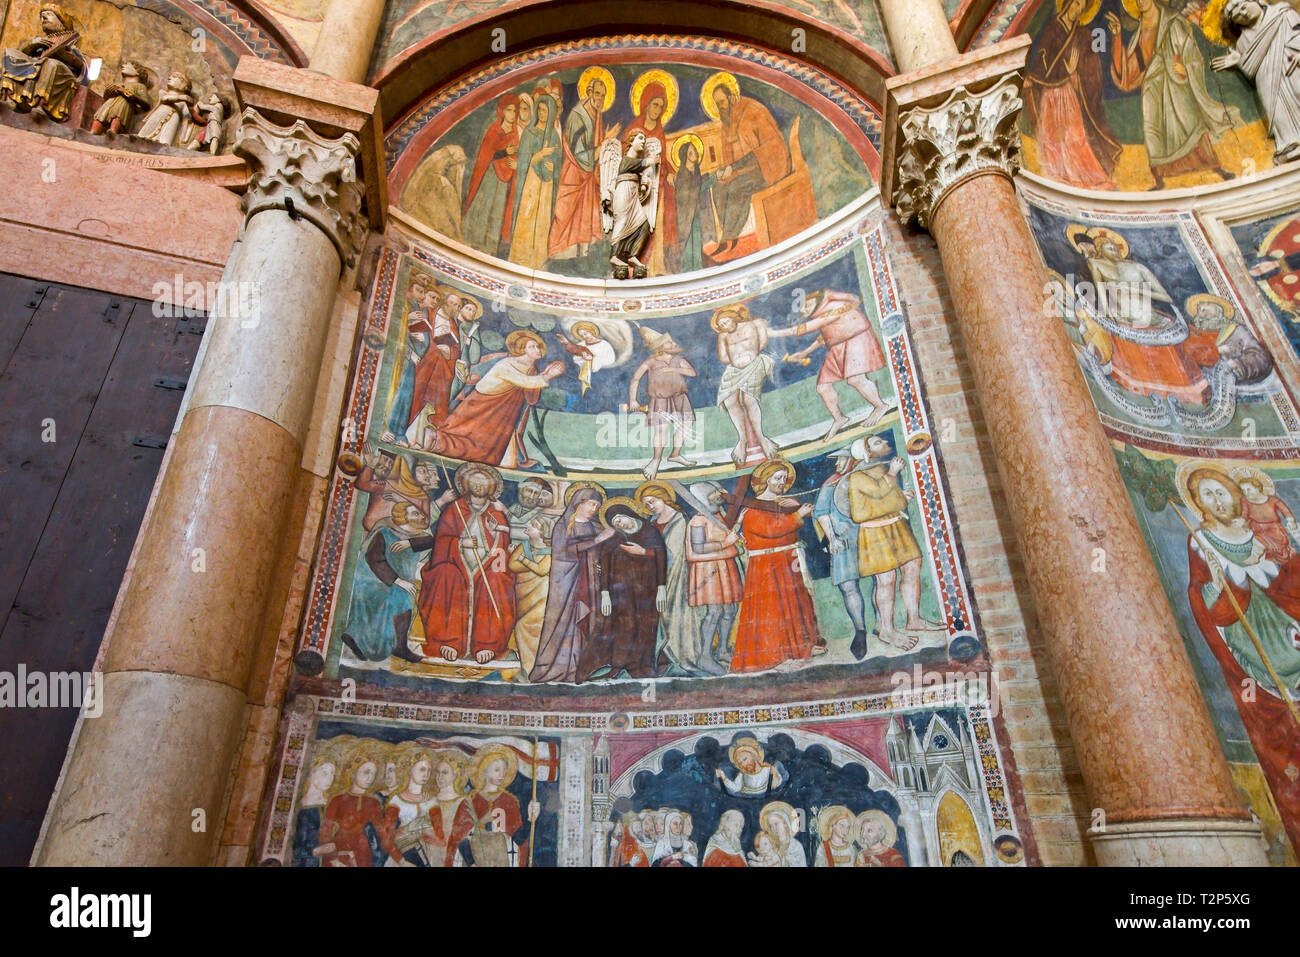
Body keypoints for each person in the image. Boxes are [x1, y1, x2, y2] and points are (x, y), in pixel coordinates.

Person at [1181, 463, 1300, 851]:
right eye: (1207, 496)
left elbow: (1292, 572)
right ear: (1198, 504)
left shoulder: (1258, 529)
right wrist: (1218, 587)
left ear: (1234, 494)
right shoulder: (1201, 541)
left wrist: (1280, 564)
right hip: (1245, 634)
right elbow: (1199, 593)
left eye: (1221, 492)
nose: (1216, 500)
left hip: (1287, 618)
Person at [1106, 0, 1239, 188]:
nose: (1140, 2)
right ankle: (1158, 180)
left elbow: (1191, 52)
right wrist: (1117, 36)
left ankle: (1216, 168)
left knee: (1190, 124)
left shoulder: (1173, 22)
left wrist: (1186, 69)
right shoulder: (1140, 32)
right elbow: (1129, 71)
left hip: (1176, 85)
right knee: (1154, 135)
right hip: (1152, 91)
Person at [844, 434, 944, 650]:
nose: (885, 443)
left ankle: (914, 619)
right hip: (874, 532)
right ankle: (887, 630)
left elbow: (894, 499)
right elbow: (876, 494)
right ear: (866, 453)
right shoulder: (858, 476)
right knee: (886, 579)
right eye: (878, 443)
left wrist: (899, 496)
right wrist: (892, 474)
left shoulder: (881, 470)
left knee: (912, 566)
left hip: (896, 525)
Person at [414, 463, 516, 664]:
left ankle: (487, 643)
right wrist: (460, 543)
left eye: (483, 483)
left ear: (492, 487)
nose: (478, 486)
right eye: (474, 482)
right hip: (454, 562)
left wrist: (495, 534)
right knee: (446, 575)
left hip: (487, 565)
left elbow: (503, 547)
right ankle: (448, 640)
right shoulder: (454, 509)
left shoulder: (496, 512)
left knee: (496, 581)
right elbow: (441, 540)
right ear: (466, 484)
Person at [730, 459, 822, 673]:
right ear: (765, 480)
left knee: (797, 603)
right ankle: (778, 655)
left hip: (788, 560)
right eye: (777, 478)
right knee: (774, 609)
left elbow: (790, 526)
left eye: (784, 478)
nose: (782, 482)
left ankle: (803, 647)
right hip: (767, 564)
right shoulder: (753, 508)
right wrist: (798, 514)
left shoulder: (781, 503)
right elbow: (772, 530)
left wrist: (795, 507)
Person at [428, 330, 565, 468]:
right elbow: (525, 381)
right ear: (523, 349)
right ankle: (437, 442)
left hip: (503, 411)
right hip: (482, 405)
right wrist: (548, 376)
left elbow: (531, 397)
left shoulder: (531, 369)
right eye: (532, 347)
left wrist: (545, 372)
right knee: (467, 436)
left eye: (538, 346)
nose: (537, 349)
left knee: (489, 446)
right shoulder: (508, 364)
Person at [1023, 0, 1121, 188]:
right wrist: (1058, 71)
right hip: (1051, 94)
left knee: (1075, 136)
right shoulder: (1053, 27)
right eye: (1076, 4)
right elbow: (1043, 58)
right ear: (1067, 3)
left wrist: (1077, 72)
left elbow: (1091, 65)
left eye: (1082, 8)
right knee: (1053, 135)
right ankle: (1057, 175)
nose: (1078, 10)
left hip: (1068, 93)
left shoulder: (1081, 34)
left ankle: (1082, 176)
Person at [780, 289, 894, 438]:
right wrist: (804, 353)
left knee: (856, 379)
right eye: (804, 310)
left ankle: (880, 406)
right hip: (838, 347)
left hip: (856, 339)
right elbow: (826, 336)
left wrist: (772, 333)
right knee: (823, 386)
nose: (806, 310)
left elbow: (804, 328)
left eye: (807, 305)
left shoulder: (834, 306)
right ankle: (839, 419)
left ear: (816, 299)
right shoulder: (822, 314)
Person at [531, 484, 614, 683]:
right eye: (591, 504)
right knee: (568, 623)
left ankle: (587, 667)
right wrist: (597, 541)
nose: (593, 509)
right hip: (570, 585)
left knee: (593, 621)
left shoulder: (596, 526)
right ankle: (563, 667)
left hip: (592, 583)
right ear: (578, 503)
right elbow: (563, 553)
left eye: (597, 506)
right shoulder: (563, 526)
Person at [578, 497, 666, 680]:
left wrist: (661, 587)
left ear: (628, 514)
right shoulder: (615, 537)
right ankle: (620, 664)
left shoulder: (650, 530)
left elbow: (661, 557)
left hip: (647, 590)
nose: (620, 524)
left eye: (620, 519)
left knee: (646, 627)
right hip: (621, 593)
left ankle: (644, 665)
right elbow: (605, 563)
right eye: (615, 523)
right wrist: (605, 593)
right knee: (623, 627)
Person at [707, 77, 791, 256]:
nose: (720, 107)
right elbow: (729, 159)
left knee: (737, 187)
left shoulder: (753, 110)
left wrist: (734, 167)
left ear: (731, 98)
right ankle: (727, 238)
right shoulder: (726, 123)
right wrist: (724, 170)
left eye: (722, 102)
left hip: (769, 166)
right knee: (718, 189)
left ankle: (730, 237)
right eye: (717, 104)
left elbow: (770, 147)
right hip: (745, 171)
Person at [340, 502, 431, 664]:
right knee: (400, 597)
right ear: (403, 517)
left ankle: (399, 646)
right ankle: (361, 640)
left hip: (397, 582)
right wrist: (398, 581)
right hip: (375, 579)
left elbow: (432, 541)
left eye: (419, 513)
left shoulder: (418, 537)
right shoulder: (385, 533)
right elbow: (374, 560)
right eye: (415, 513)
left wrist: (408, 543)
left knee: (404, 596)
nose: (421, 516)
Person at [1212, 0, 1300, 163]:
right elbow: (1250, 69)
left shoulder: (1283, 13)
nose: (1243, 13)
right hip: (1267, 82)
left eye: (1243, 6)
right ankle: (1289, 143)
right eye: (1237, 16)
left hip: (1291, 67)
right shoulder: (1242, 42)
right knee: (1277, 109)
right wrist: (1239, 61)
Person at [551, 72, 621, 262]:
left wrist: (605, 142)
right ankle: (562, 255)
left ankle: (583, 256)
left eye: (603, 95)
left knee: (588, 215)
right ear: (589, 92)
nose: (600, 99)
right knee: (567, 214)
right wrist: (605, 141)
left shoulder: (596, 114)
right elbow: (582, 157)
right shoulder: (578, 116)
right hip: (574, 174)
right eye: (597, 94)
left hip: (588, 178)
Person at [637, 482, 701, 674]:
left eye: (652, 501)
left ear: (663, 498)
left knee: (675, 613)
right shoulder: (652, 521)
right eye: (647, 504)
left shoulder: (678, 519)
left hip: (676, 575)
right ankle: (661, 655)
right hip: (655, 575)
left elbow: (673, 552)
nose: (650, 506)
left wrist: (644, 552)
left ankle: (679, 656)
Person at [815, 447, 871, 659]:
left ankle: (885, 626)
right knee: (848, 586)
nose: (837, 464)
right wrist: (832, 538)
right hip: (844, 540)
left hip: (869, 535)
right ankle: (860, 631)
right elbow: (821, 512)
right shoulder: (831, 483)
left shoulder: (867, 474)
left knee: (883, 579)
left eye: (841, 459)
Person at [686, 482, 744, 673]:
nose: (720, 495)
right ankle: (705, 657)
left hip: (725, 566)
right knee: (715, 611)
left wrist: (737, 525)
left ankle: (722, 650)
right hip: (709, 569)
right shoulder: (698, 520)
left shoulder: (718, 515)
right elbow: (698, 547)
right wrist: (726, 543)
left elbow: (725, 534)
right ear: (705, 499)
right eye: (715, 494)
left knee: (730, 610)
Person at [316, 749, 407, 867]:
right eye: (366, 772)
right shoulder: (337, 800)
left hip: (362, 855)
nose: (370, 777)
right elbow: (324, 834)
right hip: (338, 855)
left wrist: (402, 861)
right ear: (354, 772)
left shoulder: (373, 803)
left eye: (373, 774)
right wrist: (334, 860)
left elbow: (383, 836)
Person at [629, 328, 697, 479]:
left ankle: (675, 454)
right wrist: (633, 399)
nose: (673, 344)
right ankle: (655, 460)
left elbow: (692, 372)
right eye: (669, 343)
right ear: (660, 346)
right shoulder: (650, 362)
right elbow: (635, 379)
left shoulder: (678, 359)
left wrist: (673, 368)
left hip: (680, 398)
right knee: (661, 430)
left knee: (686, 425)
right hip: (660, 400)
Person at [714, 304, 778, 465]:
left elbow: (763, 342)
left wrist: (748, 356)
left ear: (733, 317)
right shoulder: (723, 336)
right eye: (721, 325)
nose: (724, 326)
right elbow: (723, 357)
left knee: (748, 399)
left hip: (755, 364)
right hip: (734, 370)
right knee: (729, 401)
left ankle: (762, 438)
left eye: (725, 322)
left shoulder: (754, 324)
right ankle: (742, 440)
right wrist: (737, 360)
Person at [0, 3, 86, 122]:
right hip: (34, 64)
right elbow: (22, 54)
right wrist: (32, 45)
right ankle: (9, 97)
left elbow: (83, 68)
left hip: (58, 72)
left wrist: (66, 55)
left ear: (61, 24)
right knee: (9, 52)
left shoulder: (71, 46)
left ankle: (41, 104)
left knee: (51, 64)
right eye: (42, 16)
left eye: (49, 15)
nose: (43, 18)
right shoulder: (36, 40)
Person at [508, 87, 562, 269]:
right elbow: (524, 162)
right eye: (539, 109)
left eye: (545, 111)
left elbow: (558, 162)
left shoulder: (554, 136)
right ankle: (520, 257)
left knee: (543, 220)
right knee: (527, 216)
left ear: (551, 113)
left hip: (546, 185)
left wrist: (554, 168)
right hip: (531, 182)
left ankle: (538, 260)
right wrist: (539, 155)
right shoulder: (529, 133)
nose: (541, 113)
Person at [463, 745, 540, 867]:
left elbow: (518, 839)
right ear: (484, 769)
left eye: (504, 770)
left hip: (500, 858)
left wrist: (531, 819)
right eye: (497, 770)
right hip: (476, 857)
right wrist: (472, 863)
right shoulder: (471, 800)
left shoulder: (509, 801)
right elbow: (460, 837)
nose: (502, 774)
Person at [463, 95, 520, 256]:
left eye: (514, 111)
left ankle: (489, 247)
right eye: (509, 110)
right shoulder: (494, 129)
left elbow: (517, 154)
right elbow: (486, 154)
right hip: (491, 176)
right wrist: (505, 152)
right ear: (502, 111)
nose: (512, 114)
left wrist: (514, 162)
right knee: (484, 206)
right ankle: (474, 240)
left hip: (505, 179)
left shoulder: (515, 133)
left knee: (497, 212)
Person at [603, 129, 660, 279]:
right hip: (623, 192)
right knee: (621, 222)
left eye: (644, 139)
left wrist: (644, 184)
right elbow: (636, 165)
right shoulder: (625, 160)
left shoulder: (635, 165)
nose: (643, 142)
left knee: (644, 225)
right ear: (631, 141)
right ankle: (614, 256)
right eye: (640, 138)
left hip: (633, 196)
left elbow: (640, 174)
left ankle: (632, 255)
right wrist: (650, 160)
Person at [1231, 466, 1299, 564]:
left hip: (1274, 528)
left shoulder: (1272, 500)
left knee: (1270, 543)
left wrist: (1291, 521)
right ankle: (1254, 557)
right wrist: (1241, 521)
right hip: (1256, 527)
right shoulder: (1245, 501)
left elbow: (1285, 510)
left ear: (1257, 488)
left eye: (1249, 489)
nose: (1246, 493)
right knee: (1256, 541)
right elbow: (1244, 514)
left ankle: (1260, 556)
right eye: (1244, 491)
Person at [136, 70, 196, 147]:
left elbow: (186, 121)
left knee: (165, 141)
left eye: (174, 77)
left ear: (184, 85)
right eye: (170, 76)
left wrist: (183, 138)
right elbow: (165, 99)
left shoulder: (183, 103)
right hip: (159, 114)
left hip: (173, 120)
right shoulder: (163, 93)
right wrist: (181, 97)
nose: (169, 78)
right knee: (145, 135)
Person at [91, 60, 150, 136]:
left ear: (137, 72)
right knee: (108, 104)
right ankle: (95, 130)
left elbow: (146, 104)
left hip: (125, 107)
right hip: (110, 105)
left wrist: (131, 95)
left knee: (123, 101)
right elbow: (105, 99)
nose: (123, 66)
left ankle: (114, 130)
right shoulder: (118, 84)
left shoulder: (140, 86)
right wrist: (108, 92)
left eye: (127, 65)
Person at [715, 736, 788, 795]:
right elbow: (736, 788)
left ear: (754, 756)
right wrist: (723, 777)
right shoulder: (742, 774)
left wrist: (774, 774)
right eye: (740, 763)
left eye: (745, 759)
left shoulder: (768, 769)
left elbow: (777, 784)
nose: (743, 764)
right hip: (746, 800)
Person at [759, 801, 807, 867]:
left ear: (785, 823)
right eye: (771, 826)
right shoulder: (770, 844)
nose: (774, 829)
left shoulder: (795, 846)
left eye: (776, 824)